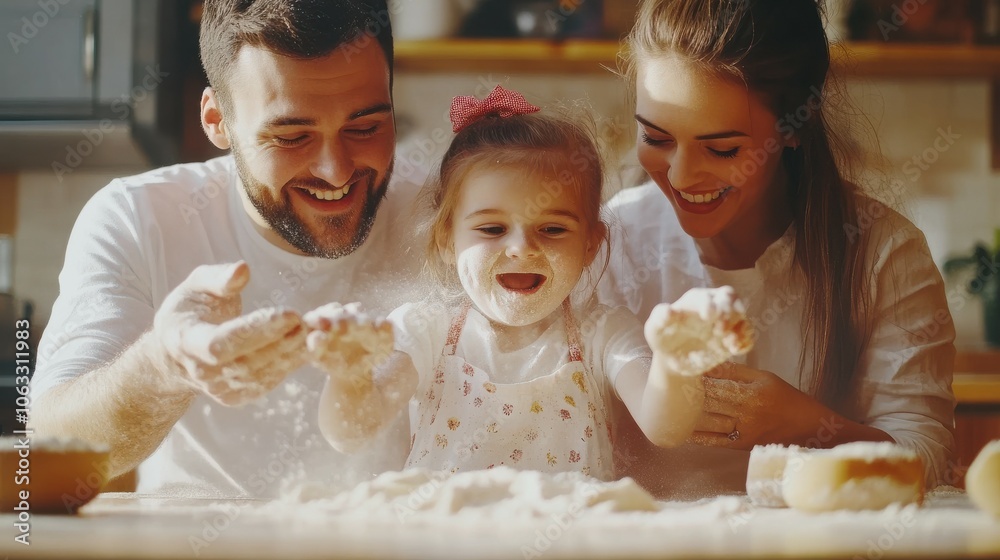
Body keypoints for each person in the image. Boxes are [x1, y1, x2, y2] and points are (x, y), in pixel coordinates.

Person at [29, 0, 427, 498]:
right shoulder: (137, 218)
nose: (336, 171)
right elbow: (48, 449)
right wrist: (164, 365)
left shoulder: (453, 217)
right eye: (292, 136)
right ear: (217, 119)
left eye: (365, 127)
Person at [598, 0, 956, 498]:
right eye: (656, 137)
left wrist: (805, 425)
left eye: (722, 149)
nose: (680, 176)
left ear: (794, 126)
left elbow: (927, 458)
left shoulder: (883, 254)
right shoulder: (612, 239)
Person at [306, 85, 754, 479]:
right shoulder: (427, 331)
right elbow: (354, 431)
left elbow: (666, 428)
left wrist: (677, 364)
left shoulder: (604, 333)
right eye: (492, 229)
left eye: (553, 229)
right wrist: (347, 376)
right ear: (446, 239)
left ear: (591, 246)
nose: (521, 248)